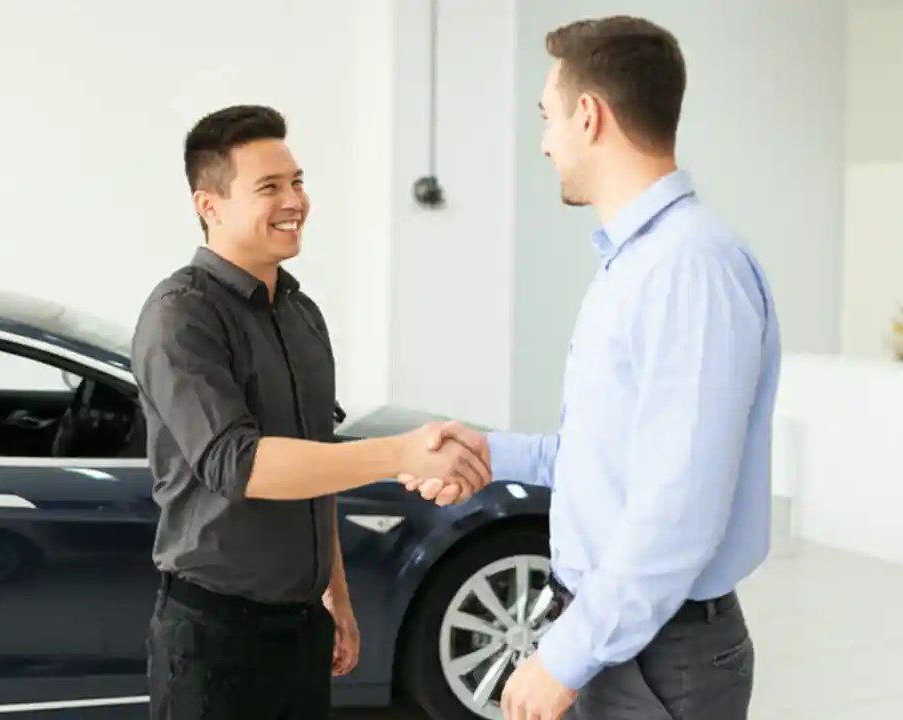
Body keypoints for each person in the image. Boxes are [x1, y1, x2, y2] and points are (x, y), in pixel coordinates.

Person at [408, 15, 780, 720]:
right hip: (629, 636)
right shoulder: (638, 261)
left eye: (547, 117)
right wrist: (490, 451)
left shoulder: (689, 269)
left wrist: (566, 653)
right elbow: (615, 458)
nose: (544, 142)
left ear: (589, 115)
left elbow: (679, 508)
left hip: (659, 656)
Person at [131, 104, 492, 720]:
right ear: (209, 205)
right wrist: (399, 452)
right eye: (269, 187)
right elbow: (237, 464)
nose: (295, 200)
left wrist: (335, 593)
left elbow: (316, 460)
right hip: (214, 638)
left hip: (302, 630)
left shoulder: (301, 315)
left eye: (297, 182)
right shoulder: (181, 316)